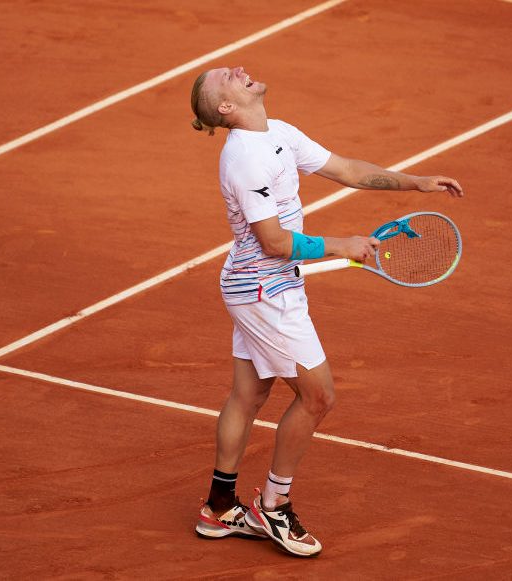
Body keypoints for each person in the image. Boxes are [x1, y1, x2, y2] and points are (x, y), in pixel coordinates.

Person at [190, 66, 463, 557]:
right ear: (226, 108)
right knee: (318, 397)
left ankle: (219, 505)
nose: (237, 68)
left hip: (259, 283)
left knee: (249, 395)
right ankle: (273, 506)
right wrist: (344, 246)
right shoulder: (243, 160)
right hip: (263, 289)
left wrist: (416, 183)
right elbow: (273, 242)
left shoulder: (279, 132)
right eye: (224, 78)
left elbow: (347, 170)